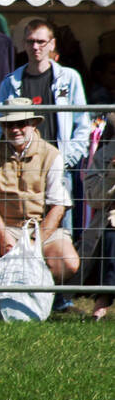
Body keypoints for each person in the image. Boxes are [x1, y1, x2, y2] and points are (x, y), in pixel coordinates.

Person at [0, 19, 91, 313]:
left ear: (52, 45)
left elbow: (82, 128)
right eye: (30, 42)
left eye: (41, 42)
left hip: (58, 169)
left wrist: (64, 160)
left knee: (60, 230)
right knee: (20, 228)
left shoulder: (69, 79)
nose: (35, 47)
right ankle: (22, 291)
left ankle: (61, 299)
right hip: (21, 169)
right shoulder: (10, 82)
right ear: (24, 45)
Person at [0, 99, 80, 319]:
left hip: (41, 228)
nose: (15, 129)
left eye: (22, 123)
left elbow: (58, 206)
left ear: (33, 124)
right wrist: (3, 236)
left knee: (69, 262)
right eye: (9, 124)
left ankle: (42, 297)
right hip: (2, 225)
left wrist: (35, 242)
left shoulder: (51, 154)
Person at [81, 121, 115, 319]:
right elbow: (94, 198)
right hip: (112, 216)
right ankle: (102, 300)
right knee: (112, 238)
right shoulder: (105, 153)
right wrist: (112, 175)